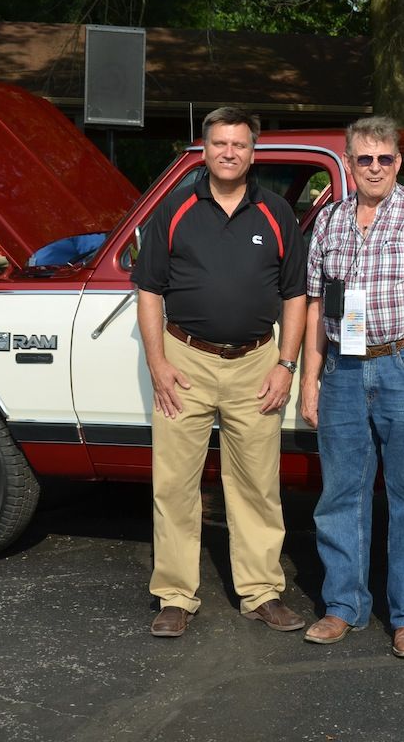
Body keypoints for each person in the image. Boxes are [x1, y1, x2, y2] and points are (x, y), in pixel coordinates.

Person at [131, 106, 308, 638]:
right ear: (204, 150)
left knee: (257, 485)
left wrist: (286, 365)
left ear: (253, 152)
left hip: (257, 363)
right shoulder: (174, 209)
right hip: (185, 361)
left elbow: (295, 295)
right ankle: (175, 596)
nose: (229, 153)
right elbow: (149, 290)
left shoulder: (277, 213)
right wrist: (158, 362)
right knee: (174, 485)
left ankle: (261, 592)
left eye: (239, 144)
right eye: (220, 143)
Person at [300, 116, 404, 659]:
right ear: (349, 163)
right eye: (364, 159)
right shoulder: (329, 221)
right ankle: (342, 606)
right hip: (344, 371)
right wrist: (309, 379)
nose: (374, 168)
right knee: (340, 494)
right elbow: (315, 305)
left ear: (398, 162)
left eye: (384, 158)